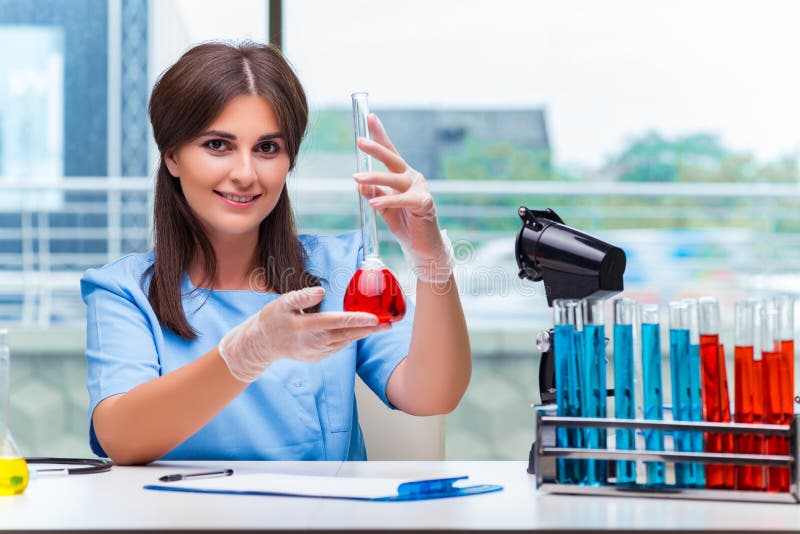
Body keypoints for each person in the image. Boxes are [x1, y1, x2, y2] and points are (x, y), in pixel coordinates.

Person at [81, 42, 471, 465]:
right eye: (218, 145)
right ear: (172, 156)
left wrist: (432, 261)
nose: (245, 174)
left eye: (267, 148)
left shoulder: (341, 269)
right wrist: (249, 351)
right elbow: (122, 438)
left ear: (289, 161)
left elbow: (432, 394)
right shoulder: (125, 291)